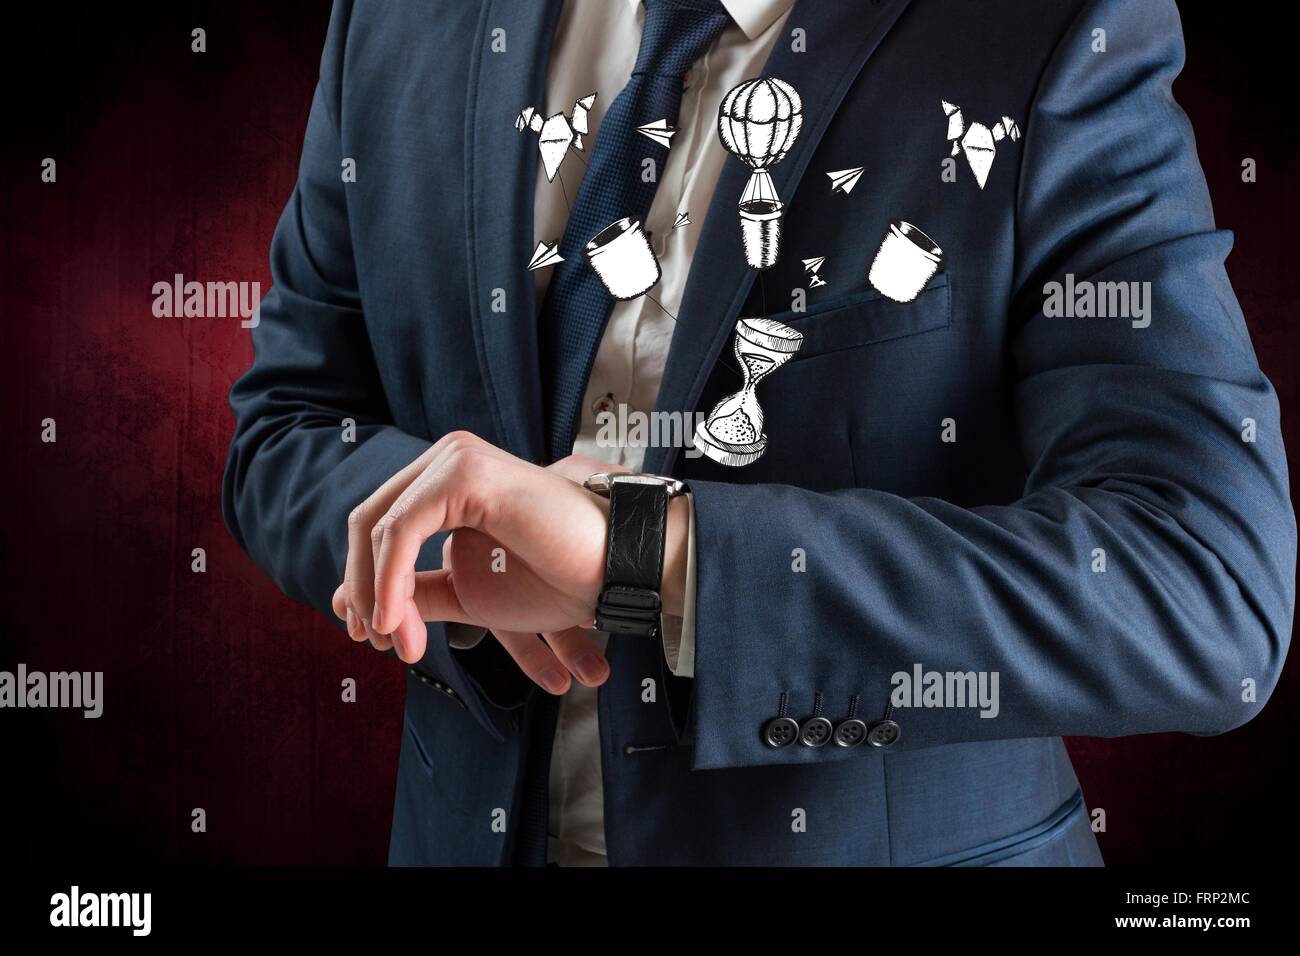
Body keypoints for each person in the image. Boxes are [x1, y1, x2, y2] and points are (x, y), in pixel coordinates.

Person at [222, 0, 1295, 866]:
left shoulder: (1046, 30)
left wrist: (643, 556)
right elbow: (287, 424)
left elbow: (1204, 583)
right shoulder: (395, 19)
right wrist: (456, 546)